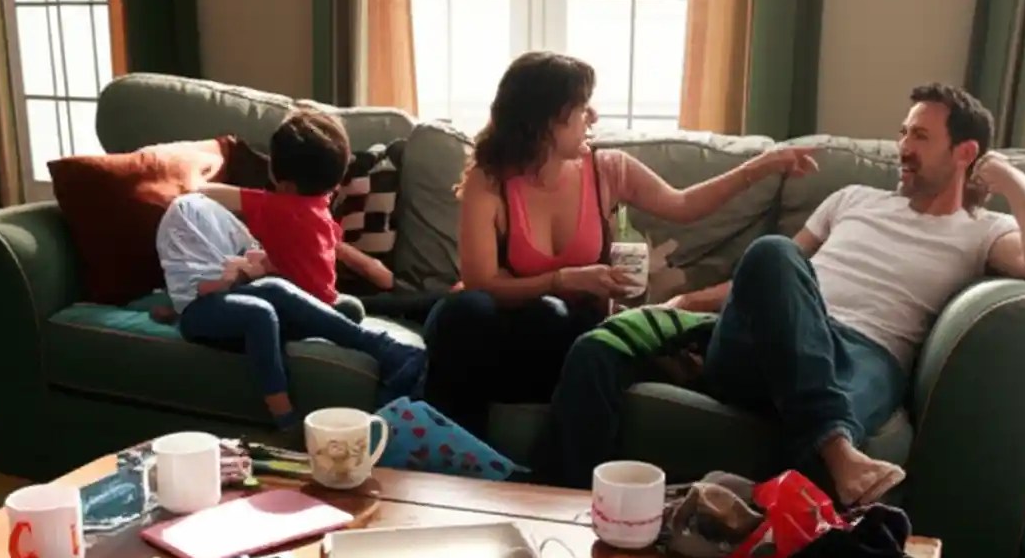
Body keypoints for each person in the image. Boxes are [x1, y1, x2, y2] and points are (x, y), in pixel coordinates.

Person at [548, 83, 1025, 505]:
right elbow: (768, 278)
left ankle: (794, 466)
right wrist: (686, 305)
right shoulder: (850, 198)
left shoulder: (984, 229)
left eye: (920, 137)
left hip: (862, 356)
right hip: (766, 342)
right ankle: (836, 451)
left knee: (810, 337)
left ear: (966, 152)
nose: (903, 147)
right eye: (904, 132)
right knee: (767, 256)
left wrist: (1018, 184)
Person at [421, 50, 818, 438]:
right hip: (496, 333)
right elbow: (480, 284)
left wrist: (762, 165)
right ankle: (454, 456)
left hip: (568, 338)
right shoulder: (489, 181)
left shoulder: (607, 169)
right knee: (463, 312)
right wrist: (562, 279)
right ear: (544, 121)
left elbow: (684, 205)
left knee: (558, 320)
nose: (593, 117)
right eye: (581, 107)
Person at [156, 193, 424, 435]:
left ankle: (387, 349)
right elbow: (198, 286)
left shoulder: (208, 208)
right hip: (198, 310)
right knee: (260, 313)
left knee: (279, 289)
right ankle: (287, 421)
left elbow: (251, 258)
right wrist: (239, 274)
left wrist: (255, 267)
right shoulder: (183, 213)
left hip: (230, 295)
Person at [195, 108, 395, 323]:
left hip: (290, 304)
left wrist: (194, 180)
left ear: (286, 185)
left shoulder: (277, 205)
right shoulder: (321, 205)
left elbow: (205, 193)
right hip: (324, 300)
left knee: (238, 286)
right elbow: (338, 251)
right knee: (351, 306)